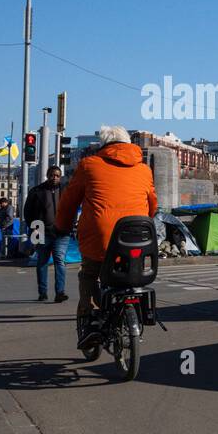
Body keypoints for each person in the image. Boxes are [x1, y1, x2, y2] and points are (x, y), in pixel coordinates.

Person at [55, 126, 157, 346]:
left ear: (103, 144)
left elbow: (69, 202)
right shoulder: (144, 170)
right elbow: (152, 205)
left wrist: (62, 226)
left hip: (100, 238)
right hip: (137, 237)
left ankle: (91, 320)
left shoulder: (88, 165)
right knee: (126, 272)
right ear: (128, 143)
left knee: (90, 274)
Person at [24, 165, 70, 302]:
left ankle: (60, 292)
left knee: (60, 261)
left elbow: (72, 208)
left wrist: (71, 224)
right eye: (51, 175)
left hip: (61, 232)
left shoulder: (67, 191)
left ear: (60, 176)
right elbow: (28, 212)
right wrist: (33, 228)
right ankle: (42, 292)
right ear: (47, 175)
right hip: (41, 231)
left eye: (57, 175)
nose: (54, 177)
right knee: (42, 262)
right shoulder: (36, 191)